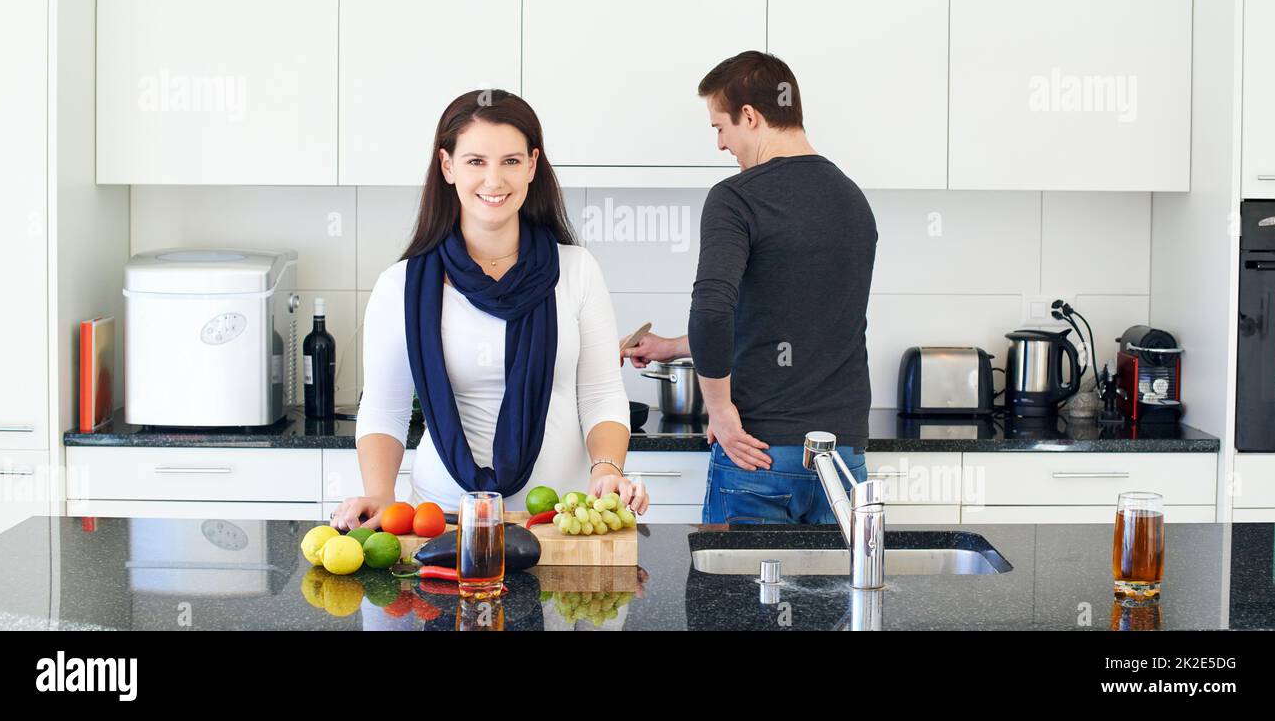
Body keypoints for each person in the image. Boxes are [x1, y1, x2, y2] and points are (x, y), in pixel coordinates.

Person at [332, 89, 649, 530]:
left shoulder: (576, 271)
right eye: (476, 161)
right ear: (447, 166)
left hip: (560, 519)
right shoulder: (401, 286)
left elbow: (600, 395)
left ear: (533, 165)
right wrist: (380, 494)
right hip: (439, 520)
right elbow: (385, 408)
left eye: (511, 161)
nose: (494, 180)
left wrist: (607, 470)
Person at [623, 51, 877, 524]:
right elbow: (794, 318)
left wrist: (719, 412)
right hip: (843, 458)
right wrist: (672, 347)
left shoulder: (735, 197)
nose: (721, 145)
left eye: (720, 127)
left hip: (756, 455)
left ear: (749, 116)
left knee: (735, 600)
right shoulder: (852, 199)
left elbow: (713, 313)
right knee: (840, 599)